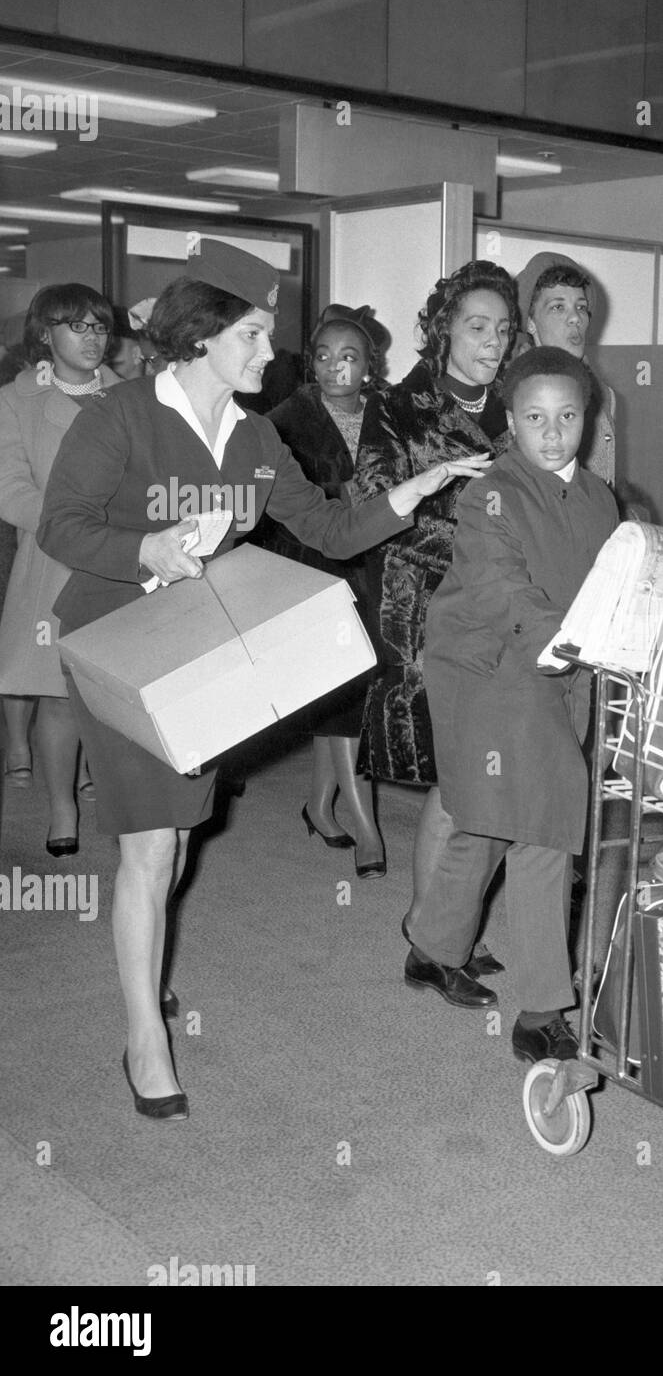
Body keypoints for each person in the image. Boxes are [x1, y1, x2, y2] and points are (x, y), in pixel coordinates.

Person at [38, 240, 488, 1121]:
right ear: (202, 336)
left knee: (172, 842)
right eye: (251, 334)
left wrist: (415, 488)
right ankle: (144, 1037)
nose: (267, 353)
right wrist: (147, 550)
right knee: (153, 844)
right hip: (120, 645)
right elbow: (62, 525)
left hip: (201, 652)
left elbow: (328, 526)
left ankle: (143, 967)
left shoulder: (255, 435)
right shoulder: (122, 417)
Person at [411, 347, 619, 1061]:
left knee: (492, 823)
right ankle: (541, 1008)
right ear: (510, 420)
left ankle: (431, 946)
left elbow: (614, 584)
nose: (553, 432)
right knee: (544, 829)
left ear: (586, 419)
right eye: (535, 418)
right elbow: (502, 583)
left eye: (567, 416)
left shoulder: (598, 497)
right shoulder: (490, 493)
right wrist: (558, 642)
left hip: (565, 669)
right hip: (496, 671)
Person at [354, 259, 517, 974]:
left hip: (509, 613)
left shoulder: (520, 405)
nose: (491, 341)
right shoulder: (397, 406)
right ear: (443, 328)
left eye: (503, 329)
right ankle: (430, 938)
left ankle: (446, 928)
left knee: (488, 780)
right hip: (428, 611)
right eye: (477, 325)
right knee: (455, 782)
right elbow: (375, 509)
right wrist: (482, 532)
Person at [263, 304, 392, 878]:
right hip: (318, 571)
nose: (336, 367)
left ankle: (319, 805)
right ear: (310, 363)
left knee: (345, 694)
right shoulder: (283, 419)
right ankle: (367, 830)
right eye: (324, 355)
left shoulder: (390, 415)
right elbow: (281, 503)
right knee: (347, 699)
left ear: (370, 365)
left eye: (350, 356)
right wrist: (348, 491)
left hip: (385, 569)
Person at [0, 284, 120, 851]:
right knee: (56, 691)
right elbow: (9, 489)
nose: (93, 337)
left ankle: (120, 790)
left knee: (117, 686)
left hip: (126, 561)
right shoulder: (16, 400)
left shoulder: (136, 396)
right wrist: (73, 524)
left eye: (99, 326)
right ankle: (61, 807)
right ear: (45, 335)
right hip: (53, 559)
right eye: (78, 326)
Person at [514, 251, 616, 485]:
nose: (575, 318)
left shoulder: (605, 395)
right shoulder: (511, 392)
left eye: (581, 308)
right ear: (530, 322)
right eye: (558, 307)